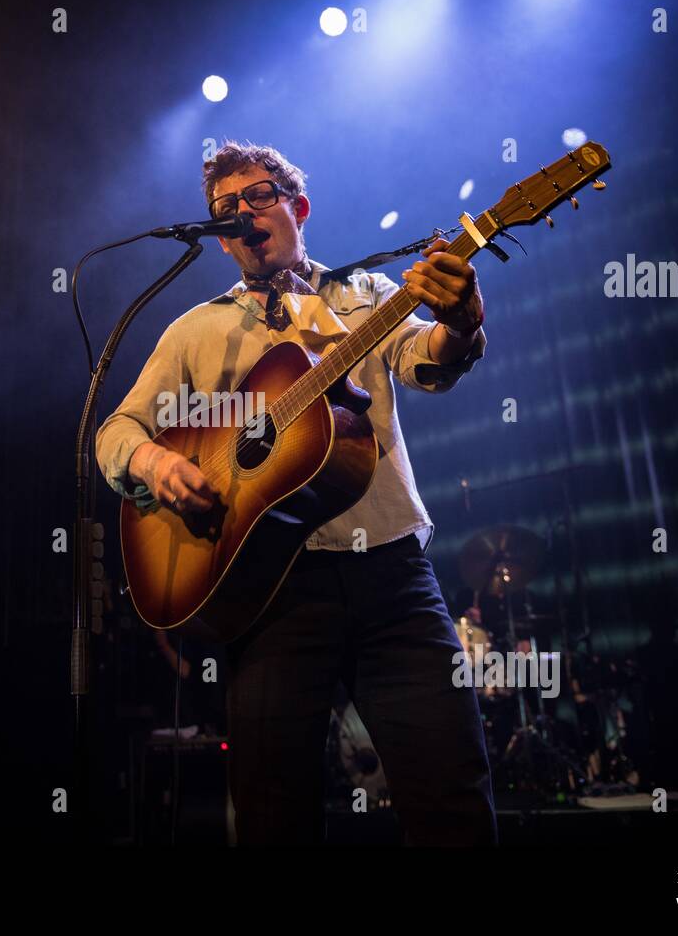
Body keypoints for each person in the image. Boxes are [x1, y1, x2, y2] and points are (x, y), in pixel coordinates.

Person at [95, 142, 497, 844]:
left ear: (297, 208)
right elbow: (117, 430)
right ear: (219, 239)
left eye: (258, 197)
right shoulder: (196, 331)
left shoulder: (366, 296)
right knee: (272, 816)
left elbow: (429, 358)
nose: (243, 214)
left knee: (451, 796)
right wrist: (156, 464)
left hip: (391, 578)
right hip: (270, 591)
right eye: (226, 209)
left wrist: (463, 321)